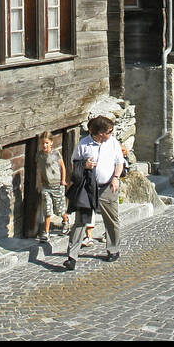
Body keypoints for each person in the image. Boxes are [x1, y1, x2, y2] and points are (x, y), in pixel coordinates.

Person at [64, 115, 125, 270]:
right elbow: (74, 163)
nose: (112, 133)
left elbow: (119, 162)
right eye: (109, 131)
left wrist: (116, 178)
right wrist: (85, 165)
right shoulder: (84, 145)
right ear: (100, 133)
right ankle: (72, 256)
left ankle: (113, 249)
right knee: (81, 221)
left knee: (111, 220)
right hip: (88, 188)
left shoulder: (113, 143)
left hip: (107, 187)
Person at [36, 132, 68, 244]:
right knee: (47, 210)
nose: (44, 145)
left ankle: (65, 220)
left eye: (46, 143)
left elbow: (62, 167)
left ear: (51, 143)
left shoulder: (56, 154)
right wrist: (39, 183)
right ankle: (46, 233)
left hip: (57, 185)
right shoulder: (39, 155)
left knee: (59, 209)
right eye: (42, 143)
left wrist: (63, 180)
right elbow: (40, 169)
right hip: (46, 186)